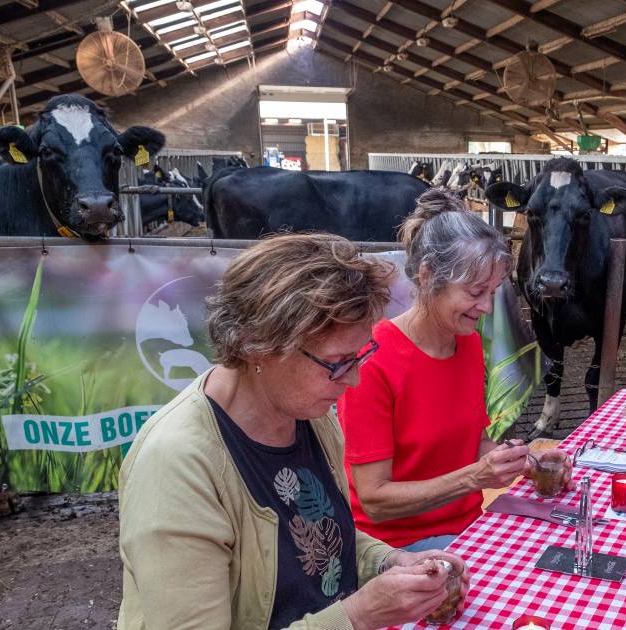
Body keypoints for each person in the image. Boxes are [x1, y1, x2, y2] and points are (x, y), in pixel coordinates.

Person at [118, 234, 469, 630]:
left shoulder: (307, 413)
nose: (353, 379)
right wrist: (357, 615)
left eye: (359, 356)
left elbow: (319, 539)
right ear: (257, 344)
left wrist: (389, 561)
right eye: (337, 362)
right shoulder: (176, 466)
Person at [338, 188, 572, 551]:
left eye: (493, 292)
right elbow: (374, 499)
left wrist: (524, 461)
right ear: (429, 277)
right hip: (396, 549)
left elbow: (475, 443)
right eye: (476, 292)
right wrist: (475, 478)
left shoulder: (468, 342)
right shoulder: (373, 361)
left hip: (466, 531)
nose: (487, 308)